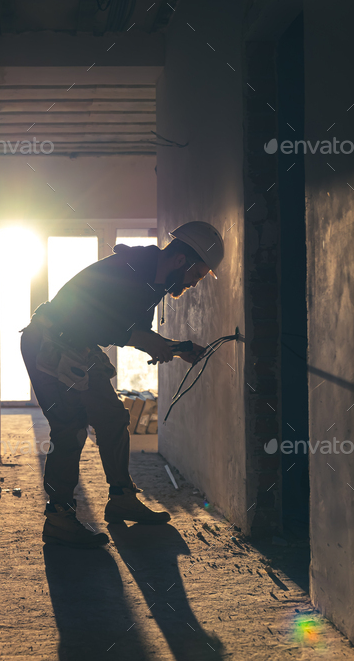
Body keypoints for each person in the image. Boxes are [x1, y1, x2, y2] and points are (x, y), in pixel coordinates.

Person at [20, 221, 225, 548]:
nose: (194, 284)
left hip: (78, 346)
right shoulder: (128, 269)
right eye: (196, 275)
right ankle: (59, 516)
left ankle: (122, 499)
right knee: (70, 426)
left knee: (113, 418)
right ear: (179, 261)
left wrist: (177, 348)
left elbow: (131, 334)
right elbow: (91, 319)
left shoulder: (154, 285)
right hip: (49, 342)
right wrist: (147, 339)